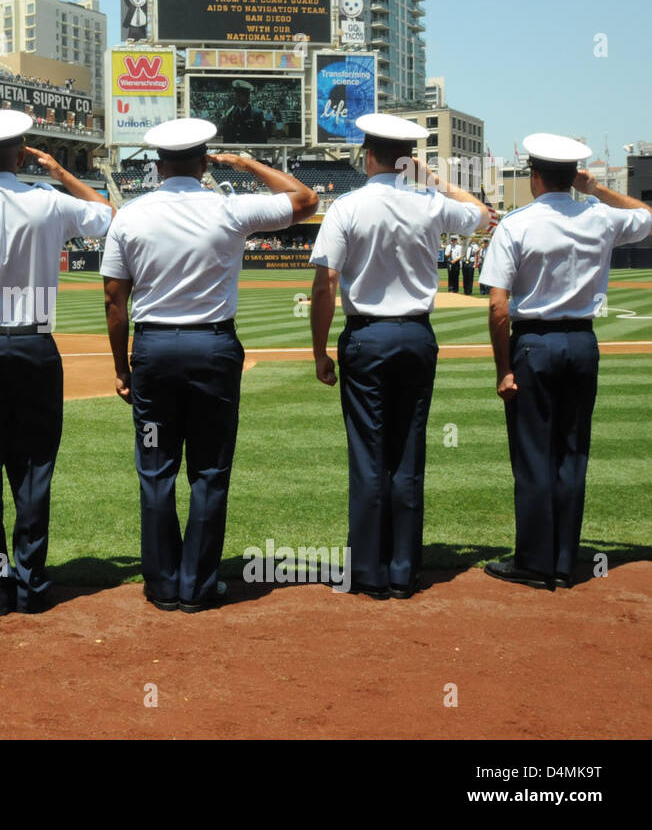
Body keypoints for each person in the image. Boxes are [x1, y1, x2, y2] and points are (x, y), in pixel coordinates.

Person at [102, 119, 317, 612]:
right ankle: (198, 587)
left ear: (156, 167)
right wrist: (245, 163)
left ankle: (161, 584)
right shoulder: (229, 208)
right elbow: (306, 200)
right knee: (209, 469)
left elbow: (115, 301)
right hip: (213, 352)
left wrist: (122, 368)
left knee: (156, 468)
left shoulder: (130, 216)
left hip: (153, 354)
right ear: (203, 164)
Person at [0, 109, 113, 617]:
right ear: (24, 149)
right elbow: (107, 212)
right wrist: (59, 171)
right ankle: (31, 583)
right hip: (35, 346)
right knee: (33, 468)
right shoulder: (50, 202)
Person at [309, 113, 489, 599]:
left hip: (366, 336)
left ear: (368, 154)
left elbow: (325, 285)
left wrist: (319, 351)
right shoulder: (430, 202)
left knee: (368, 455)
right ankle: (403, 570)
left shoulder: (347, 206)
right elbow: (482, 213)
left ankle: (368, 571)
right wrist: (433, 179)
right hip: (415, 335)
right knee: (408, 452)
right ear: (409, 158)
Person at [479, 134, 652, 590]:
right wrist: (596, 189)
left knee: (534, 455)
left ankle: (533, 564)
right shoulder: (600, 216)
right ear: (572, 175)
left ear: (534, 176)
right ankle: (561, 560)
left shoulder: (516, 225)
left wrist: (504, 369)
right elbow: (649, 216)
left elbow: (498, 307)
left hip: (534, 343)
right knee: (572, 453)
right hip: (582, 343)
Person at [220, 80, 268, 145]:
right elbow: (227, 134)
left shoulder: (256, 113)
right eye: (236, 95)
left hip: (250, 150)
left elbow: (262, 136)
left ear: (247, 97)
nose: (237, 98)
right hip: (234, 150)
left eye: (240, 96)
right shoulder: (231, 113)